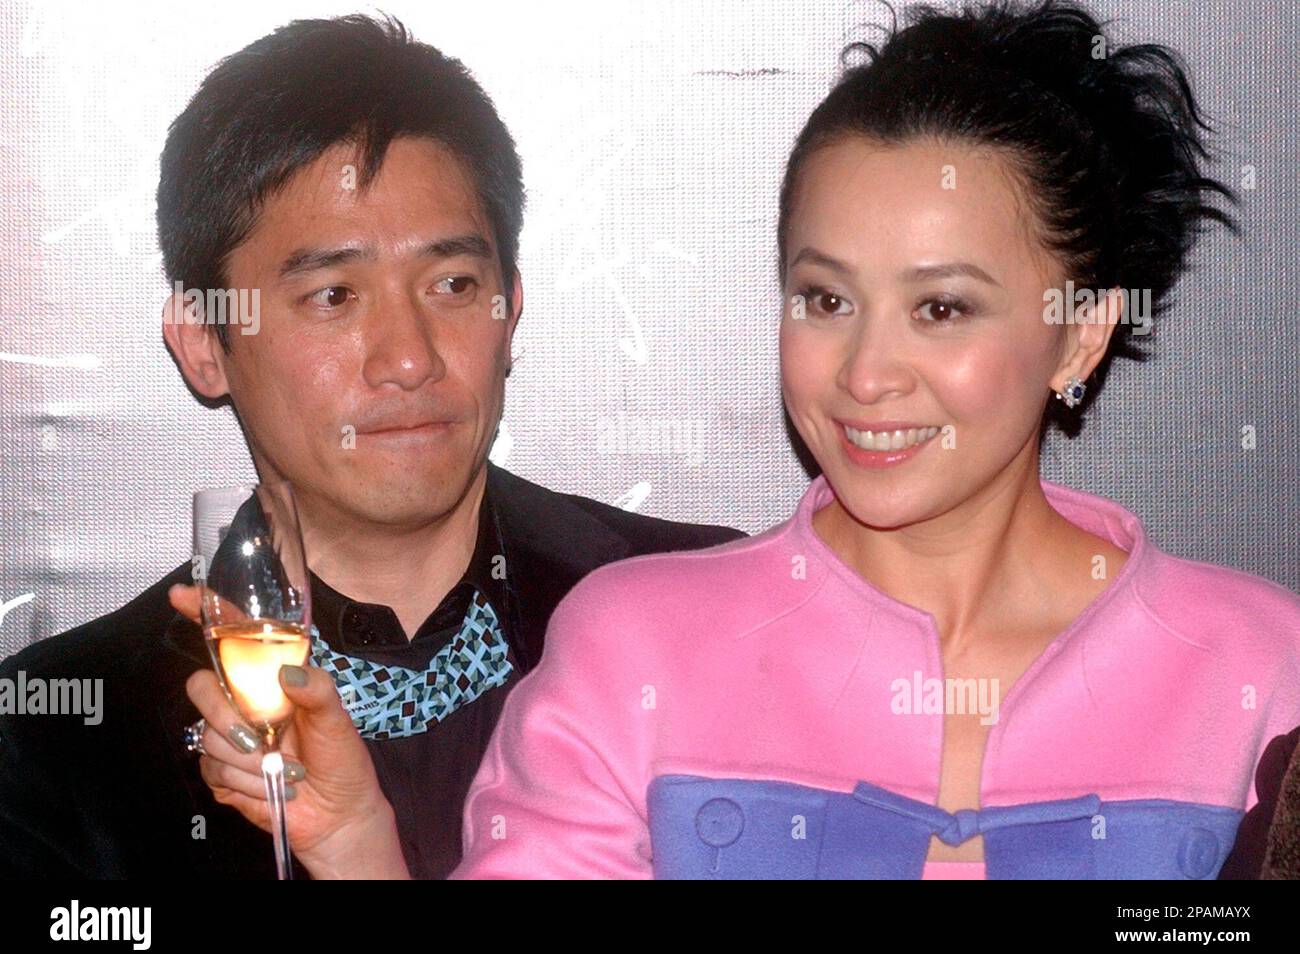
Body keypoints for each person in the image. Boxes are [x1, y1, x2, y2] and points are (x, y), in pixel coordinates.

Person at [182, 0, 1300, 880]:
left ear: (1078, 336)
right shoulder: (635, 646)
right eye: (824, 300)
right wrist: (363, 847)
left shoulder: (1263, 670)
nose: (865, 373)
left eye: (942, 308)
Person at [0, 13, 742, 880]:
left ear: (511, 309)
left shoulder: (715, 620)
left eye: (454, 284)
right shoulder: (58, 747)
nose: (409, 358)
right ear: (205, 341)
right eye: (334, 296)